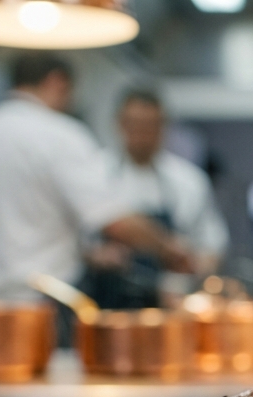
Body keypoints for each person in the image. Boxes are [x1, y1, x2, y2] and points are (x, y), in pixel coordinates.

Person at [0, 54, 198, 301]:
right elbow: (115, 222)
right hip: (42, 306)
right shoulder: (61, 136)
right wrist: (169, 249)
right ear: (57, 83)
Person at [88, 89, 228, 308]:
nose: (142, 134)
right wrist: (97, 256)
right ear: (119, 124)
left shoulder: (189, 180)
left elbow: (212, 245)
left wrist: (190, 267)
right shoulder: (94, 174)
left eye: (150, 126)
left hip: (171, 305)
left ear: (164, 127)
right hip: (108, 306)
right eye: (134, 125)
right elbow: (76, 243)